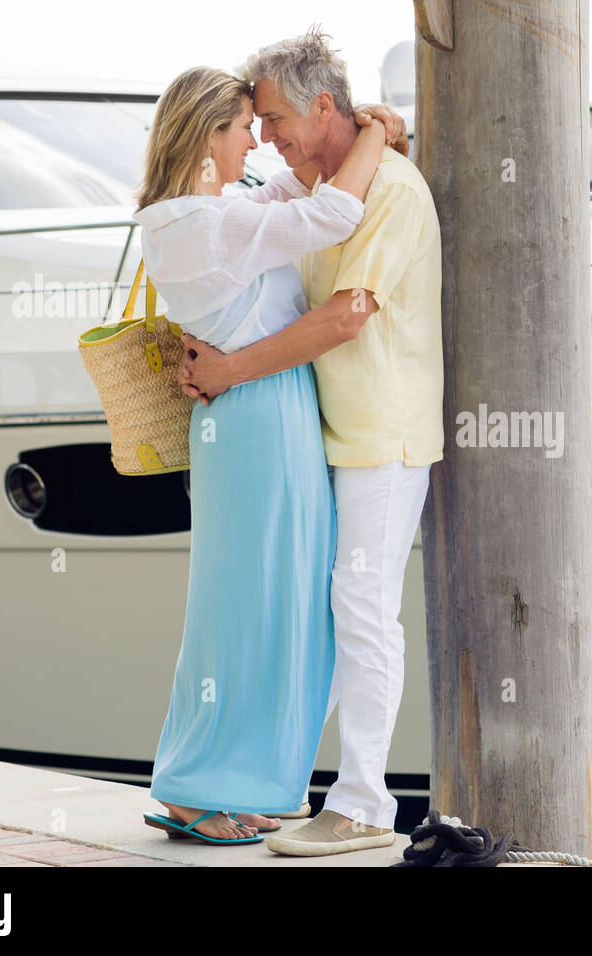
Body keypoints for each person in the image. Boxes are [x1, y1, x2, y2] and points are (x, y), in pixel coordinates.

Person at [177, 27, 443, 855]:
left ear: (322, 105)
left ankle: (363, 805)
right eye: (252, 121)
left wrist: (229, 372)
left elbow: (345, 314)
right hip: (330, 435)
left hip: (383, 437)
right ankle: (282, 783)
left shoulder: (389, 190)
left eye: (274, 118)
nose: (264, 136)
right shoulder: (324, 183)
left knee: (363, 614)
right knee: (317, 618)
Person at [134, 63, 401, 844]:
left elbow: (288, 202)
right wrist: (378, 131)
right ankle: (206, 787)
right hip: (261, 416)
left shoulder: (193, 217)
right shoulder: (207, 225)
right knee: (263, 608)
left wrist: (331, 148)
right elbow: (335, 213)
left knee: (244, 607)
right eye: (244, 126)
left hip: (248, 417)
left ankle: (213, 781)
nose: (256, 138)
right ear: (210, 134)